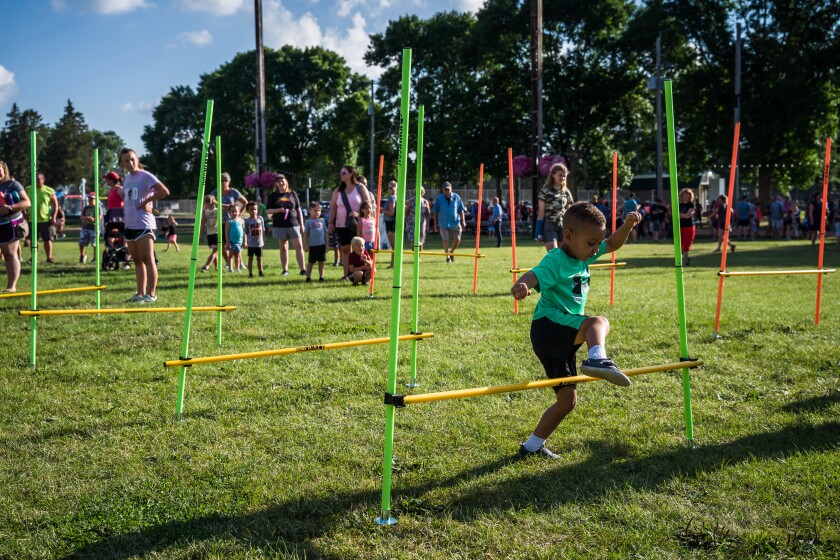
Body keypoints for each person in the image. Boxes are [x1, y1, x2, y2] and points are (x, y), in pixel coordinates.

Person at [511, 202, 641, 459]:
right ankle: (597, 359)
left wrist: (627, 225)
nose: (595, 250)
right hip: (549, 327)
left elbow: (613, 244)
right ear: (568, 236)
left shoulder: (586, 252)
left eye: (597, 244)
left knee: (567, 400)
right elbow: (535, 274)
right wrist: (522, 285)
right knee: (598, 322)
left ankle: (532, 446)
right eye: (591, 243)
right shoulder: (556, 258)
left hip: (563, 333)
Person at [119, 148, 169, 303]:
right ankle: (139, 294)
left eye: (132, 159)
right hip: (130, 224)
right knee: (137, 260)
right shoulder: (127, 179)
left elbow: (164, 191)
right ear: (122, 163)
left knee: (148, 259)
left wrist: (148, 201)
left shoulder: (146, 176)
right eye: (126, 160)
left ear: (137, 159)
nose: (130, 162)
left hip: (144, 224)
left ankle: (151, 294)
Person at [328, 165, 374, 281]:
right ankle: (346, 275)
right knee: (345, 249)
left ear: (351, 174)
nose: (341, 175)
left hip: (357, 224)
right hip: (341, 224)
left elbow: (368, 205)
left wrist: (359, 214)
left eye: (344, 172)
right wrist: (330, 223)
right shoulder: (337, 191)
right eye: (341, 172)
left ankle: (361, 274)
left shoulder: (360, 187)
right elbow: (333, 207)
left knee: (358, 248)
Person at [0, 160, 31, 293]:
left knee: (10, 255)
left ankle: (11, 287)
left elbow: (27, 202)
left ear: (4, 171)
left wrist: (10, 207)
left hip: (10, 223)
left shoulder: (13, 184)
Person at [266, 173, 306, 276]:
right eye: (279, 181)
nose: (281, 182)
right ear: (276, 184)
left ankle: (303, 270)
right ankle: (285, 270)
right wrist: (279, 210)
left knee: (299, 247)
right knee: (283, 247)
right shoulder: (273, 195)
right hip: (279, 225)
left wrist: (302, 224)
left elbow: (298, 210)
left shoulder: (292, 194)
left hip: (293, 223)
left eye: (282, 180)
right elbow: (268, 211)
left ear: (286, 181)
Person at [209, 172, 247, 271]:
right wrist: (220, 206)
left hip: (232, 222)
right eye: (221, 180)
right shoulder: (215, 192)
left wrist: (239, 215)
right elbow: (210, 202)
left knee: (235, 243)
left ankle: (240, 263)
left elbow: (245, 202)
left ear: (229, 181)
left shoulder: (233, 192)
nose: (223, 182)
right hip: (220, 221)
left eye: (225, 180)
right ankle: (228, 263)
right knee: (223, 244)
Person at [536, 163, 574, 252]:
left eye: (564, 176)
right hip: (549, 225)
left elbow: (570, 212)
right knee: (554, 253)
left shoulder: (566, 192)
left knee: (563, 254)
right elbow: (541, 214)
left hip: (563, 226)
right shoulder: (544, 191)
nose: (563, 178)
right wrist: (537, 233)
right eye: (560, 175)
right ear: (553, 175)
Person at [25, 171, 59, 263]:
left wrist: (54, 217)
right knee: (33, 240)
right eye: (35, 180)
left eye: (38, 179)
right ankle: (33, 257)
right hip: (32, 219)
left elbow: (55, 205)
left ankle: (49, 257)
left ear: (43, 180)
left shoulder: (49, 190)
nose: (36, 181)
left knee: (47, 239)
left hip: (45, 219)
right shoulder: (28, 189)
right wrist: (24, 213)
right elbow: (24, 201)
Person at [431, 182, 466, 262]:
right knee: (445, 239)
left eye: (448, 189)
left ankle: (451, 252)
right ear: (443, 190)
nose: (447, 191)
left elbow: (461, 210)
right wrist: (435, 224)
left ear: (451, 189)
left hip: (455, 222)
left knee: (457, 239)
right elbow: (435, 211)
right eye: (445, 190)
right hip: (443, 223)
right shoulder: (439, 198)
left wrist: (463, 221)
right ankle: (447, 256)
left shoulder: (456, 197)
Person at [303, 201, 327, 283]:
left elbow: (326, 233)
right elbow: (305, 235)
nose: (317, 212)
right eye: (315, 210)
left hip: (322, 245)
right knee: (311, 262)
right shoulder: (308, 222)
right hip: (313, 246)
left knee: (321, 262)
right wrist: (305, 245)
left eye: (319, 210)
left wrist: (327, 245)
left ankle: (321, 277)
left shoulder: (322, 221)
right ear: (310, 211)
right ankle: (308, 277)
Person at [244, 201, 265, 278]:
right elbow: (245, 232)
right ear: (248, 211)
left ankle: (261, 272)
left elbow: (263, 230)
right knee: (250, 258)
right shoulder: (247, 221)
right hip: (251, 244)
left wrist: (264, 239)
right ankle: (250, 273)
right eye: (251, 209)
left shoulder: (261, 219)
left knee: (259, 258)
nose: (254, 211)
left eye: (255, 209)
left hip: (259, 243)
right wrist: (245, 242)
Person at [405, 186, 429, 251]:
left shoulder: (425, 202)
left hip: (421, 224)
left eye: (421, 192)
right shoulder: (410, 202)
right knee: (413, 240)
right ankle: (415, 255)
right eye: (417, 192)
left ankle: (419, 256)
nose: (419, 194)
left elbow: (427, 214)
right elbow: (406, 212)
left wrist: (428, 224)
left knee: (421, 240)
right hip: (411, 224)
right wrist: (404, 223)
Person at [201, 195, 219, 272]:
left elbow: (227, 206)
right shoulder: (205, 211)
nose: (204, 205)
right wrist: (201, 234)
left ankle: (216, 268)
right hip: (212, 233)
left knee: (215, 251)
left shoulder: (217, 210)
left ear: (209, 203)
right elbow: (202, 222)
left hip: (215, 232)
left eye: (205, 203)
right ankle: (206, 265)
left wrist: (201, 234)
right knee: (215, 251)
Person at [678, 189, 696, 266]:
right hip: (680, 226)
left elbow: (688, 215)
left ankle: (684, 263)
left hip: (689, 227)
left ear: (690, 196)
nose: (685, 196)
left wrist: (680, 215)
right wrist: (683, 215)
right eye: (684, 194)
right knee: (680, 245)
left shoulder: (691, 205)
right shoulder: (679, 205)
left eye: (687, 194)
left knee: (686, 245)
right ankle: (687, 258)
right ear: (681, 196)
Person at [225, 203, 244, 273]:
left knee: (238, 255)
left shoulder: (241, 221)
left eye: (236, 211)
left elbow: (244, 231)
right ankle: (230, 268)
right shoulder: (229, 221)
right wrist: (227, 242)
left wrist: (245, 241)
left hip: (239, 242)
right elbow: (226, 232)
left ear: (239, 212)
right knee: (231, 255)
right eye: (232, 211)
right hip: (231, 241)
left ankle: (237, 268)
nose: (234, 213)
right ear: (229, 212)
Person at [78, 193, 98, 263]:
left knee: (95, 244)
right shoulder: (85, 208)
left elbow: (99, 217)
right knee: (81, 242)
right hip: (85, 228)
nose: (90, 200)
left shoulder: (98, 207)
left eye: (92, 199)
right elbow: (81, 217)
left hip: (94, 228)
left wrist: (94, 219)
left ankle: (95, 258)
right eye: (89, 199)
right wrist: (87, 218)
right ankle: (83, 255)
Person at [382, 181, 398, 268]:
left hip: (390, 223)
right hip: (391, 222)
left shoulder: (391, 198)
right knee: (393, 245)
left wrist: (382, 210)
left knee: (393, 245)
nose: (390, 190)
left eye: (391, 188)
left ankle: (393, 264)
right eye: (389, 188)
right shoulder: (395, 197)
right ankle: (392, 263)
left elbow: (391, 213)